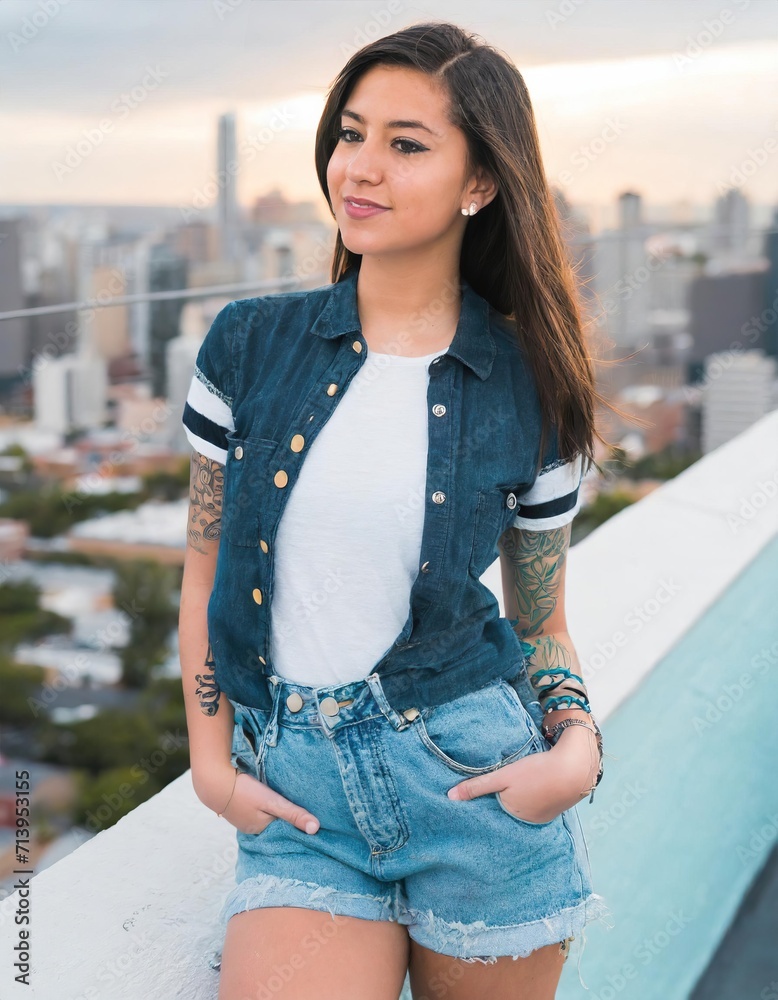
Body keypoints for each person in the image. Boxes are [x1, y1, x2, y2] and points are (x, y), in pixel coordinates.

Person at [179, 19, 615, 1000]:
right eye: (349, 133)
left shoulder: (532, 388)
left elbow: (540, 620)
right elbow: (204, 571)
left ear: (479, 184)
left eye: (404, 144)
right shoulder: (247, 348)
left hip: (476, 793)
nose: (359, 168)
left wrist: (577, 751)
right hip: (301, 806)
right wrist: (212, 766)